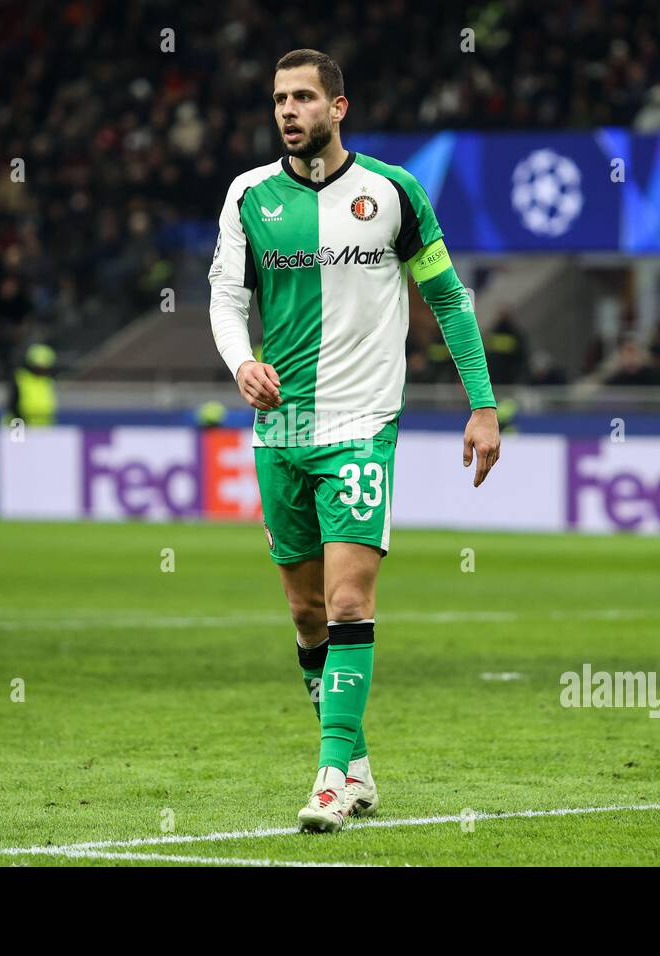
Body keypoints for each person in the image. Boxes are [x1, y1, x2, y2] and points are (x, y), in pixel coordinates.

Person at [208, 49, 500, 833]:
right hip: (280, 431)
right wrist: (242, 363)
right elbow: (227, 299)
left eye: (304, 97)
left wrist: (483, 404)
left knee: (347, 601)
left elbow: (448, 296)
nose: (289, 111)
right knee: (306, 615)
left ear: (340, 107)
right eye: (279, 99)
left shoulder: (393, 193)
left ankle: (331, 776)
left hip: (361, 427)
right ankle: (361, 766)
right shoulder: (248, 197)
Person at [4, 343, 58, 426]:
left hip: (43, 428)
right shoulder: (20, 378)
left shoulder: (48, 381)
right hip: (20, 427)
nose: (42, 370)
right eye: (39, 367)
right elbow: (12, 406)